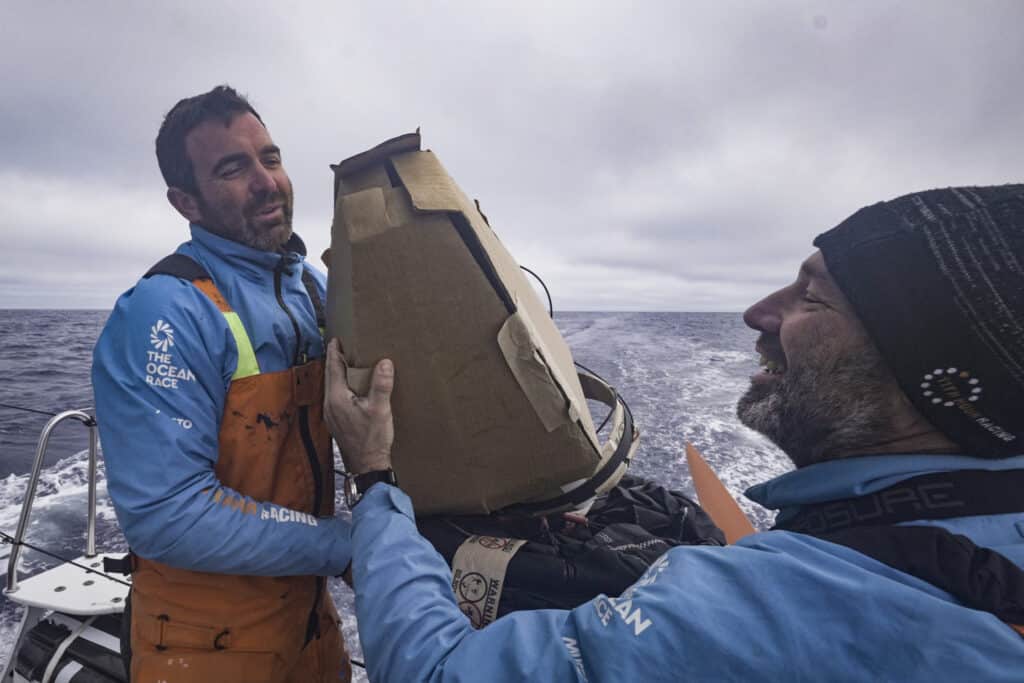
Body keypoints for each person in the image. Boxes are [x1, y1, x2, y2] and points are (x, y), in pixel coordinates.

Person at [326, 184, 1024, 681]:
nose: (758, 312)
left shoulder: (781, 609)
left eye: (812, 298)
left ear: (926, 373)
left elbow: (436, 670)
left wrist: (375, 474)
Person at [92, 86, 352, 682]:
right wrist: (343, 546)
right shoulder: (163, 312)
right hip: (202, 645)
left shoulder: (314, 289)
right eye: (233, 169)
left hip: (310, 624)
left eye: (271, 158)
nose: (266, 182)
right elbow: (168, 515)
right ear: (186, 201)